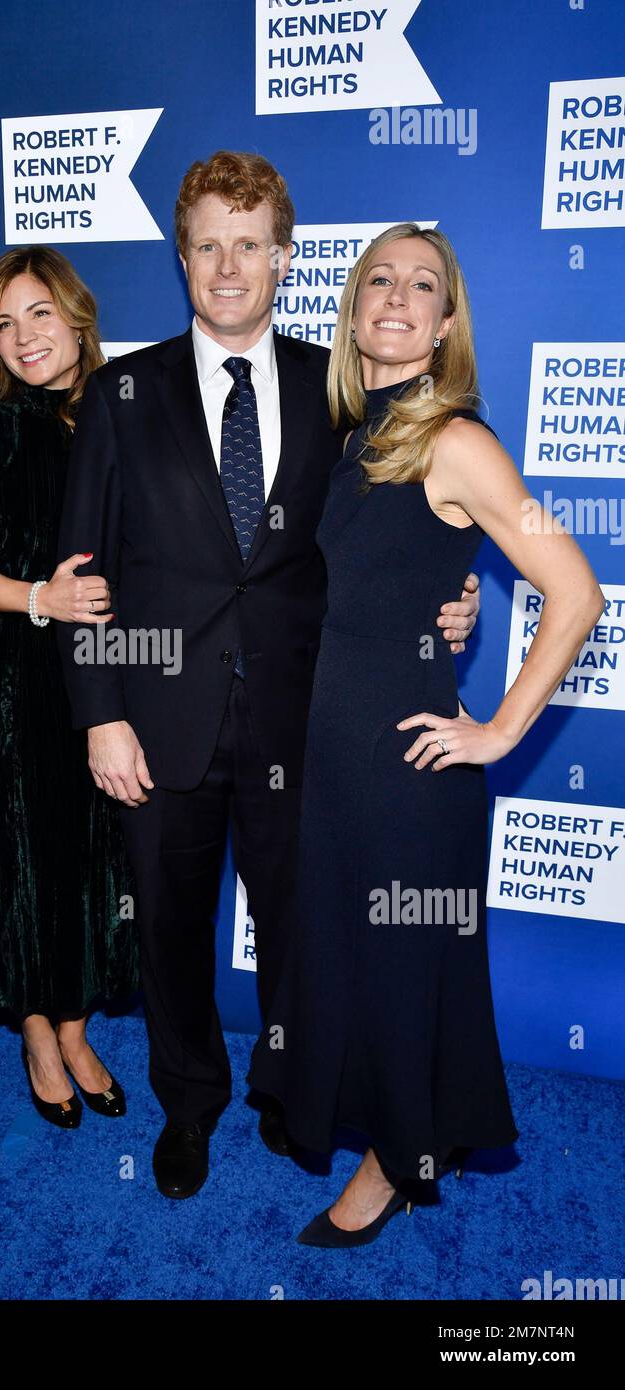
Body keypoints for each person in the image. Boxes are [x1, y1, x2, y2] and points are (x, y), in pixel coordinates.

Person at [55, 152, 483, 1198]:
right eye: (208, 244)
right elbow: (82, 571)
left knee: (307, 924)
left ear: (283, 259)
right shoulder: (119, 391)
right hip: (159, 718)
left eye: (250, 245)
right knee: (167, 922)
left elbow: (391, 538)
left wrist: (452, 609)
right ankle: (189, 1103)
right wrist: (100, 718)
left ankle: (298, 1090)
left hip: (312, 722)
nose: (229, 265)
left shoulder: (336, 390)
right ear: (184, 256)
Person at [248, 222, 604, 1246]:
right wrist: (457, 606)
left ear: (445, 324)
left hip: (404, 770)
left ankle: (396, 1160)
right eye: (380, 281)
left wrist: (496, 729)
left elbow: (573, 591)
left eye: (424, 287)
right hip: (325, 761)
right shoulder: (346, 434)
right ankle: (355, 1113)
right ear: (354, 305)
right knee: (343, 956)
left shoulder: (456, 439)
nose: (398, 298)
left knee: (402, 964)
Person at [0, 247, 139, 1128]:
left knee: (92, 861)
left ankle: (78, 1025)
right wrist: (39, 597)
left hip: (105, 678)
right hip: (7, 684)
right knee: (21, 860)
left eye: (39, 314)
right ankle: (36, 1034)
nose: (23, 337)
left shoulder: (129, 416)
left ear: (77, 316)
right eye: (3, 324)